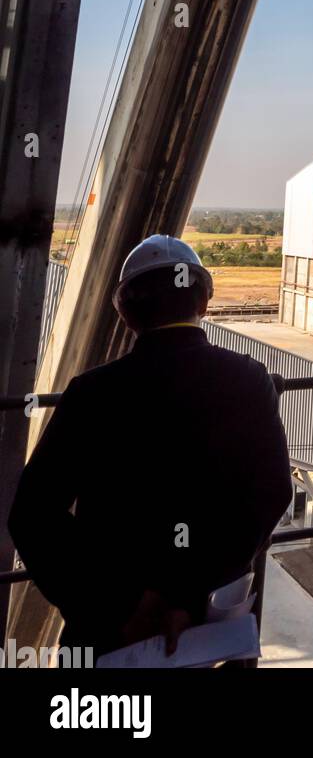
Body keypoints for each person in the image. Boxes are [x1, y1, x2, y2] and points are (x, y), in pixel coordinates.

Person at [9, 234, 293, 660]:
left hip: (109, 633)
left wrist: (126, 603)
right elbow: (271, 493)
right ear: (204, 303)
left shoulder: (92, 393)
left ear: (125, 313)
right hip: (207, 624)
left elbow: (32, 515)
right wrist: (188, 596)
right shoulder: (248, 380)